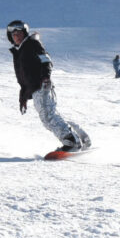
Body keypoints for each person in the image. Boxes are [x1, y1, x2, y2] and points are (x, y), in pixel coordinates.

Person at [7, 20, 91, 152]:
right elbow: (23, 79)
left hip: (41, 85)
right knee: (51, 116)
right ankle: (81, 137)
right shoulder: (19, 51)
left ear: (24, 33)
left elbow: (46, 60)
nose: (16, 37)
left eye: (19, 34)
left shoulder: (32, 44)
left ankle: (71, 141)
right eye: (14, 35)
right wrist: (23, 98)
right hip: (34, 89)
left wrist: (46, 77)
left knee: (48, 117)